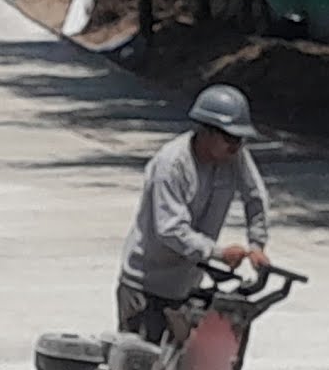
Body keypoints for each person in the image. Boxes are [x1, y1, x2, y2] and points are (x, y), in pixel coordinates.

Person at [116, 83, 271, 345]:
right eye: (229, 139)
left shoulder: (236, 158)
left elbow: (255, 196)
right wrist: (219, 253)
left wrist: (257, 244)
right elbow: (171, 230)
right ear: (206, 131)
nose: (236, 146)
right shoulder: (171, 165)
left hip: (186, 286)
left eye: (240, 139)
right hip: (146, 286)